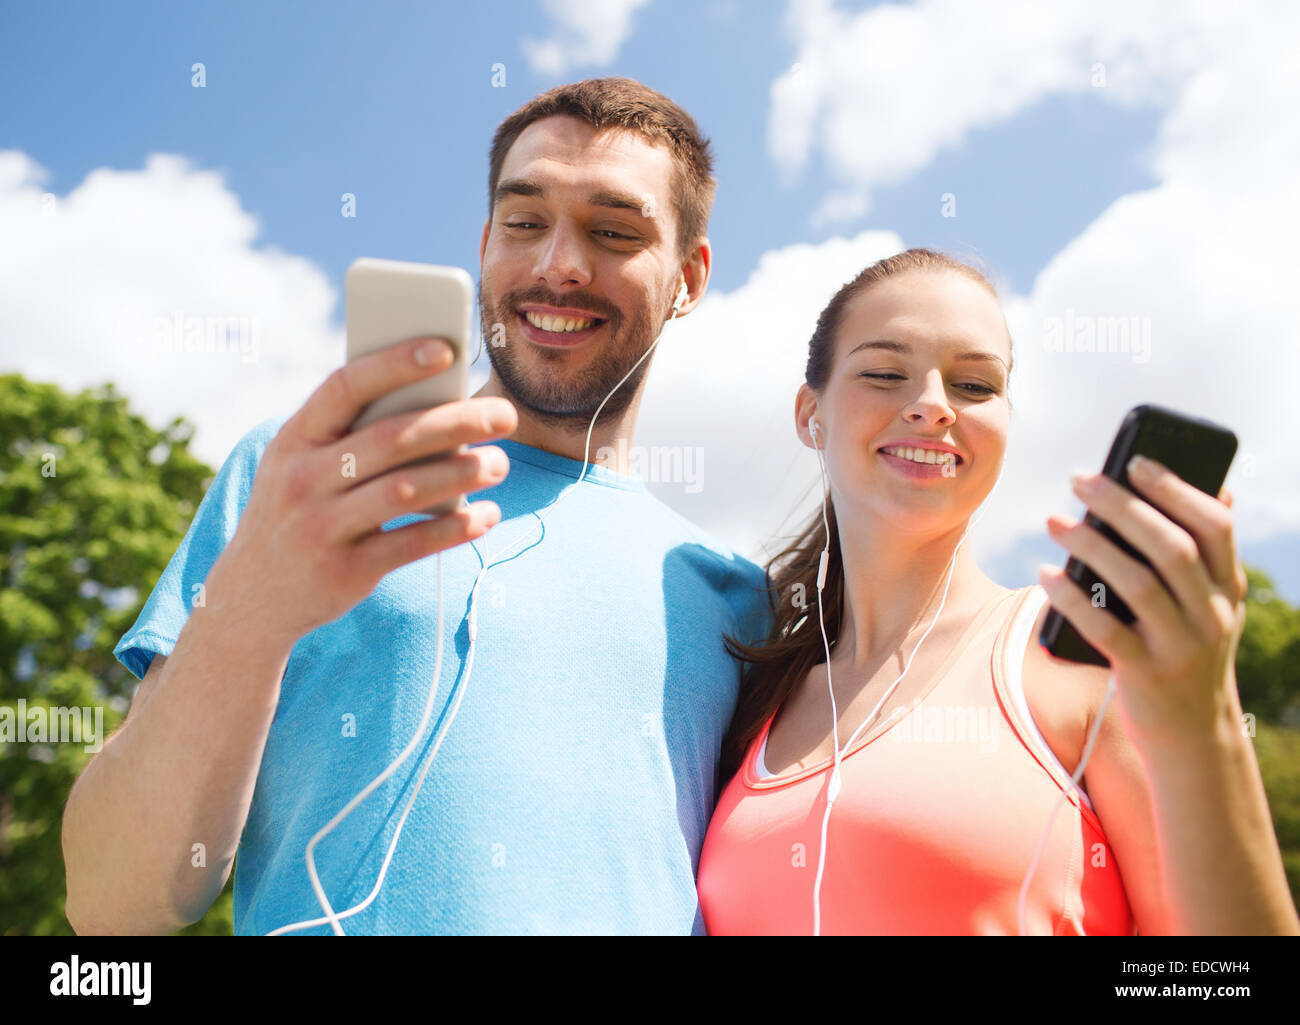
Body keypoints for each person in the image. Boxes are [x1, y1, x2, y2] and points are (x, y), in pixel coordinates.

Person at [62, 77, 771, 935]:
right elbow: (111, 905)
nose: (558, 264)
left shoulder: (739, 599)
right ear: (484, 243)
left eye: (614, 231)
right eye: (524, 221)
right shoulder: (305, 481)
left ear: (689, 277)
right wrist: (247, 610)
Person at [698, 248, 1300, 935]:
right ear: (812, 414)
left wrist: (1205, 723)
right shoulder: (757, 698)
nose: (933, 405)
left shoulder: (1085, 661)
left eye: (974, 385)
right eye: (885, 373)